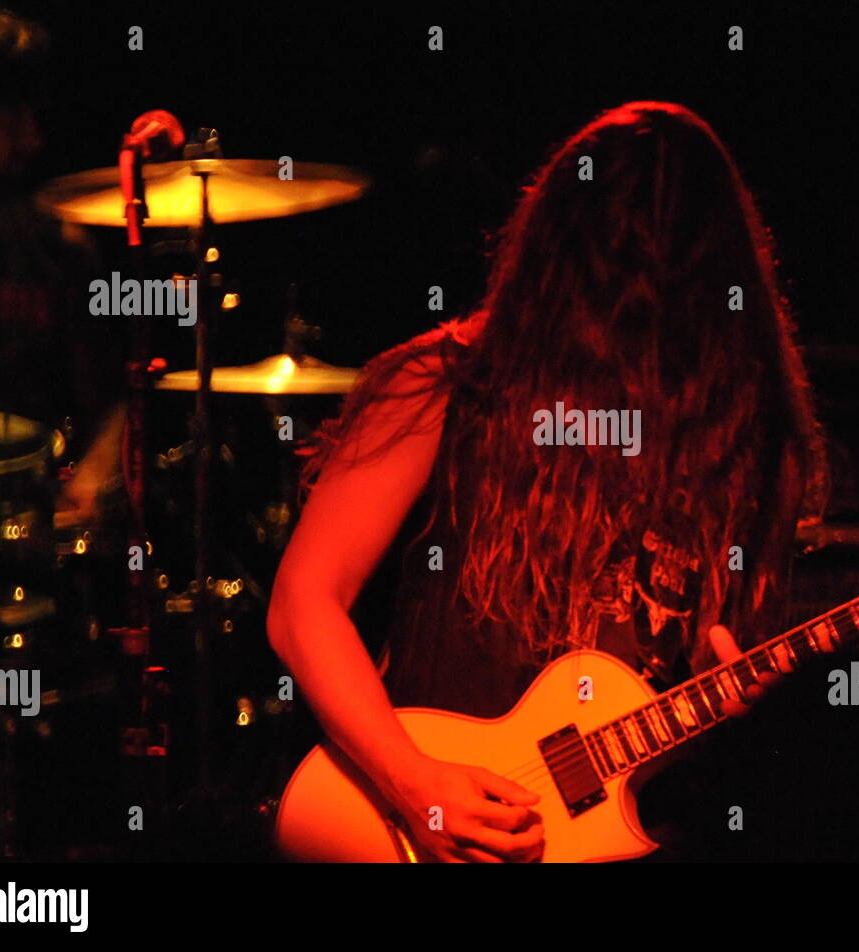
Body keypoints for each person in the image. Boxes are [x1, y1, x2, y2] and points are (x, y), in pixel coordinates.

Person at [267, 101, 829, 862]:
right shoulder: (444, 385)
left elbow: (712, 673)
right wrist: (415, 784)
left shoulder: (742, 430)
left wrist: (723, 689)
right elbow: (305, 601)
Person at [0, 3, 125, 528]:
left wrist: (92, 478)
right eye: (9, 115)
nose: (32, 139)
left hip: (24, 543)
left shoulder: (56, 247)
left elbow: (117, 396)